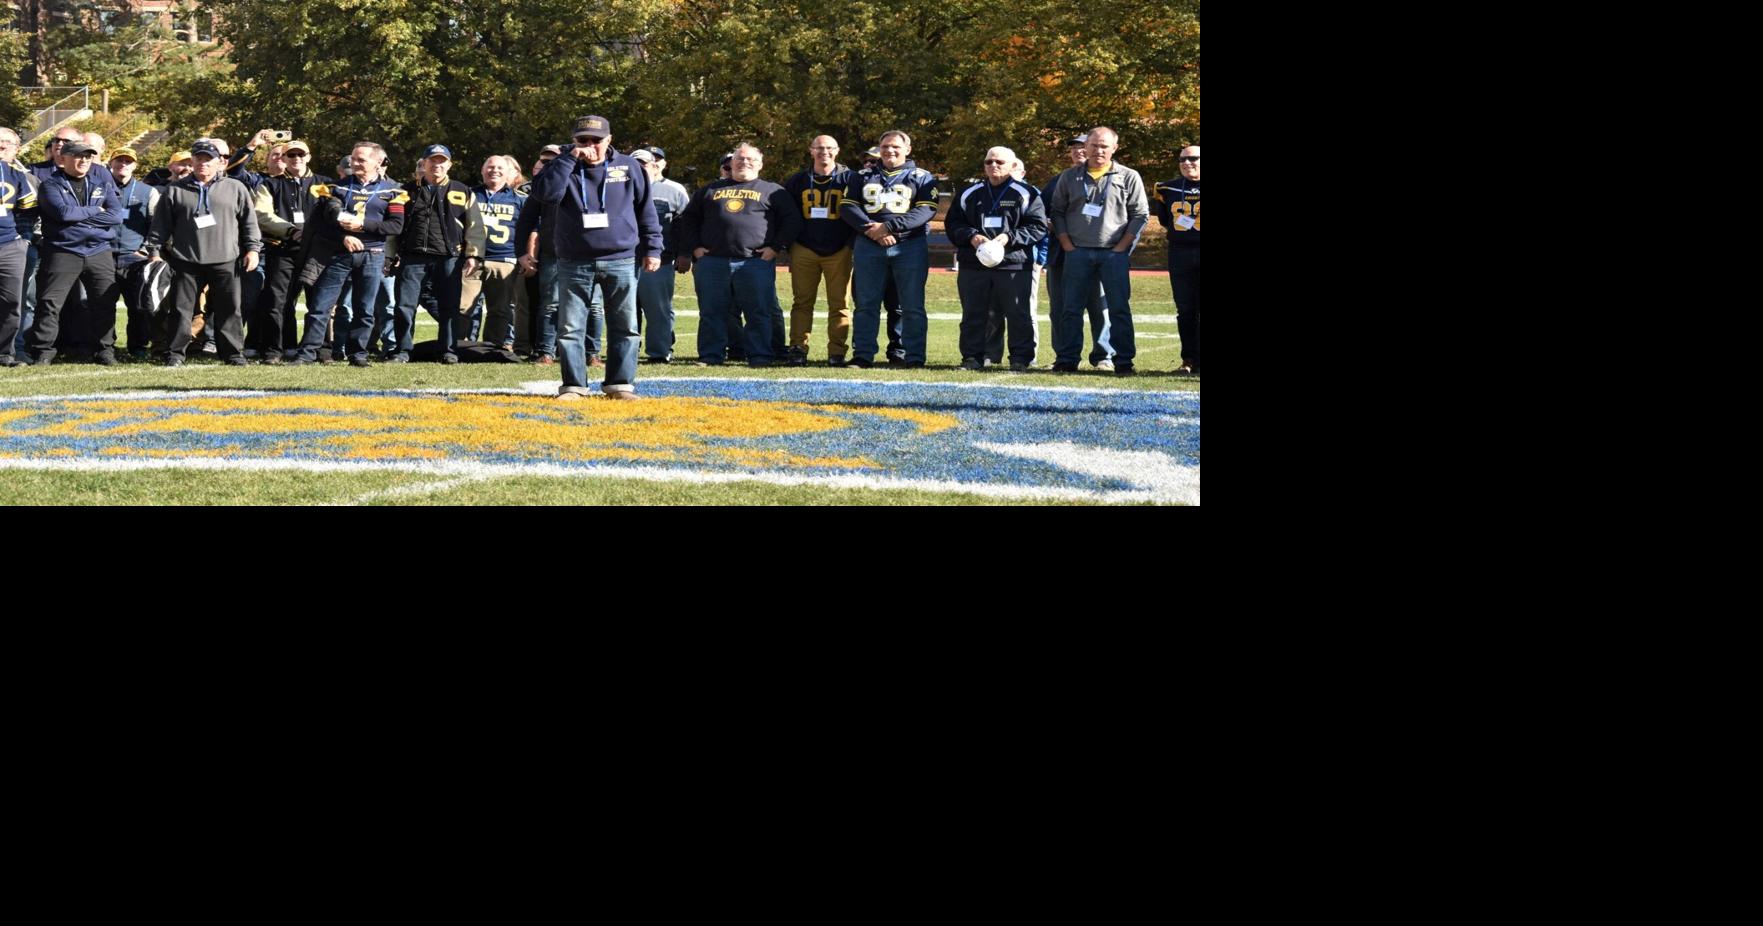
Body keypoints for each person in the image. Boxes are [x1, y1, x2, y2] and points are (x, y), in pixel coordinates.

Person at [529, 115, 662, 400]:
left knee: (625, 326)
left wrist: (653, 248)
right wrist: (567, 159)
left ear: (609, 140)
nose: (590, 145)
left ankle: (619, 384)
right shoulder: (561, 165)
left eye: (596, 140)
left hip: (621, 258)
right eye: (582, 140)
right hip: (574, 260)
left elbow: (646, 210)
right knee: (570, 327)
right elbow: (546, 195)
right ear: (573, 140)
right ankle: (574, 386)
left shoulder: (628, 167)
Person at [674, 142, 798, 367]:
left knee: (758, 312)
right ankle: (711, 356)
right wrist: (694, 248)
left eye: (750, 159)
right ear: (731, 163)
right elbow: (688, 219)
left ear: (760, 164)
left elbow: (791, 221)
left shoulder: (773, 191)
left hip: (754, 262)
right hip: (712, 262)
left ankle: (760, 356)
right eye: (740, 159)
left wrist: (776, 247)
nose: (744, 163)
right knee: (712, 312)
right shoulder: (710, 189)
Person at [143, 139, 262, 366]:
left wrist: (253, 249)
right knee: (181, 310)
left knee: (230, 309)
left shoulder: (235, 187)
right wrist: (155, 251)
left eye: (208, 160)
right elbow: (160, 225)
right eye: (198, 159)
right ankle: (175, 354)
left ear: (220, 163)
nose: (203, 164)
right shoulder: (175, 190)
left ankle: (233, 355)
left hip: (226, 259)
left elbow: (249, 222)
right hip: (186, 260)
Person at [289, 141, 407, 366]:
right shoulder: (336, 188)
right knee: (321, 306)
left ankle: (358, 353)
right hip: (338, 255)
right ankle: (307, 353)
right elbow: (320, 226)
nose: (355, 163)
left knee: (364, 308)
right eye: (353, 158)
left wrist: (362, 226)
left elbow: (395, 226)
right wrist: (342, 237)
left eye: (361, 159)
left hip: (373, 255)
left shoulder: (394, 191)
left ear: (378, 162)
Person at [1046, 126, 1148, 375]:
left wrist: (1121, 247)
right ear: (1086, 147)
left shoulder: (1128, 176)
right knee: (1070, 308)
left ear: (1114, 148)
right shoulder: (1069, 177)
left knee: (1118, 308)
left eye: (1104, 146)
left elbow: (1140, 214)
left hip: (1113, 254)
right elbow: (1057, 212)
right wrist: (1067, 244)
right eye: (1094, 145)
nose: (1098, 150)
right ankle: (1067, 359)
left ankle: (1123, 361)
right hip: (1077, 252)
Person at [840, 130, 939, 368]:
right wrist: (871, 230)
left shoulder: (923, 177)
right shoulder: (861, 175)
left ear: (908, 149)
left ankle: (914, 356)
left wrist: (889, 228)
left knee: (912, 305)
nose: (889, 150)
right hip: (869, 244)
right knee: (865, 303)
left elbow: (926, 211)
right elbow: (847, 207)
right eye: (884, 146)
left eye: (895, 146)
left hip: (909, 245)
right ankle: (863, 354)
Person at [945, 146, 1047, 371]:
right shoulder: (969, 193)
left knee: (1018, 313)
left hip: (1014, 263)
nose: (993, 165)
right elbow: (952, 224)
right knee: (973, 312)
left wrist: (1009, 238)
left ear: (1012, 166)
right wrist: (971, 236)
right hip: (974, 264)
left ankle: (1021, 359)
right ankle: (972, 357)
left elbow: (1038, 227)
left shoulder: (1027, 193)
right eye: (989, 161)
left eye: (999, 162)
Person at [25, 139, 123, 366]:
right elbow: (63, 213)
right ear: (64, 158)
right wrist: (97, 211)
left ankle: (104, 350)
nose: (84, 160)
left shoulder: (102, 183)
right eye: (79, 156)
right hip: (63, 251)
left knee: (104, 302)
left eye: (88, 156)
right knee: (50, 303)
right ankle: (44, 351)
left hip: (99, 251)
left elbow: (116, 216)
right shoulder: (50, 184)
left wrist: (82, 215)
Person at [389, 144, 472, 363]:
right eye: (432, 161)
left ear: (449, 165)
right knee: (404, 305)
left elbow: (475, 226)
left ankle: (448, 350)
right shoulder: (405, 191)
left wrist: (473, 254)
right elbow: (394, 226)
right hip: (412, 257)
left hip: (449, 257)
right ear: (423, 164)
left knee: (450, 306)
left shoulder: (462, 190)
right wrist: (390, 255)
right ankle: (403, 351)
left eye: (442, 161)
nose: (437, 165)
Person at [250, 138, 331, 363]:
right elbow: (262, 214)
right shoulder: (270, 184)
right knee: (278, 302)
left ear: (309, 157)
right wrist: (291, 230)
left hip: (317, 252)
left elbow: (333, 213)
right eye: (291, 155)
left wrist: (315, 233)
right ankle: (277, 349)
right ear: (283, 159)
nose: (296, 159)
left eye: (300, 155)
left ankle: (321, 350)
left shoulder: (325, 184)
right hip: (283, 249)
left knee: (320, 302)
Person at [778, 135, 855, 366]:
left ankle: (837, 352)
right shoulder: (798, 180)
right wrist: (790, 244)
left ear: (838, 150)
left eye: (830, 148)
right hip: (804, 248)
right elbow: (787, 215)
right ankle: (798, 348)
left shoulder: (851, 178)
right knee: (801, 302)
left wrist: (850, 244)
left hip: (839, 249)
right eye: (820, 148)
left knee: (839, 303)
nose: (825, 152)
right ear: (811, 151)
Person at [1042, 134, 1113, 370]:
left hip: (1097, 252)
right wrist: (1053, 226)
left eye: (1083, 146)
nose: (1078, 151)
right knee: (1060, 308)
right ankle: (1064, 355)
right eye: (1073, 148)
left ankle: (1103, 355)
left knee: (1098, 306)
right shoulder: (1058, 180)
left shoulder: (1112, 177)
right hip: (1062, 254)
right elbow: (1039, 213)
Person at [459, 153, 528, 359]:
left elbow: (526, 230)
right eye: (489, 167)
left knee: (500, 309)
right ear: (482, 171)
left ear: (509, 173)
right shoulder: (469, 194)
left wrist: (524, 255)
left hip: (504, 259)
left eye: (499, 168)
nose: (494, 171)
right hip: (472, 259)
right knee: (464, 307)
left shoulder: (520, 199)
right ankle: (460, 345)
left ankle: (492, 347)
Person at [632, 146, 689, 363]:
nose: (640, 167)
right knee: (625, 310)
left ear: (656, 166)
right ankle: (628, 350)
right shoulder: (619, 187)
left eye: (645, 163)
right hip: (624, 259)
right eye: (636, 163)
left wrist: (684, 254)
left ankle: (659, 352)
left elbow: (685, 225)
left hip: (659, 260)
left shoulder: (674, 190)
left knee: (658, 310)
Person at [105, 147, 160, 361]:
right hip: (104, 255)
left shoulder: (148, 191)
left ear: (135, 166)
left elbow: (156, 225)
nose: (123, 164)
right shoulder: (100, 187)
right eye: (119, 160)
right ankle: (106, 347)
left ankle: (137, 347)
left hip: (134, 257)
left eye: (128, 161)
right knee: (103, 305)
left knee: (138, 306)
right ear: (111, 163)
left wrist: (145, 250)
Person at [1154, 145, 1199, 375]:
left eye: (1193, 158)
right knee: (1185, 309)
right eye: (1183, 158)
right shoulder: (1168, 187)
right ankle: (1188, 360)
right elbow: (1165, 221)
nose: (1187, 162)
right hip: (1180, 252)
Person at [0, 127, 38, 368]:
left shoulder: (17, 174)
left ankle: (5, 353)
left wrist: (23, 238)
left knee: (11, 302)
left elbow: (29, 208)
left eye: (5, 143)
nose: (1, 146)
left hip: (9, 245)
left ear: (15, 148)